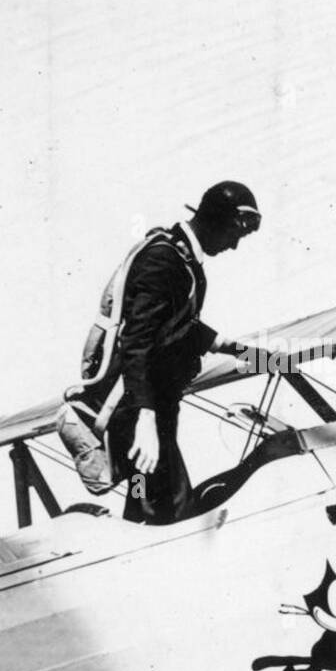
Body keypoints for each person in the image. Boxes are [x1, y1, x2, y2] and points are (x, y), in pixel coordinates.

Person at [68, 181, 263, 524]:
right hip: (138, 411)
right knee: (170, 504)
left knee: (142, 490)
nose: (233, 246)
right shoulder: (166, 261)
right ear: (218, 221)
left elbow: (179, 326)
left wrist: (244, 351)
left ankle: (134, 522)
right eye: (235, 235)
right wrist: (146, 420)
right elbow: (137, 341)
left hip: (145, 410)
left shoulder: (179, 257)